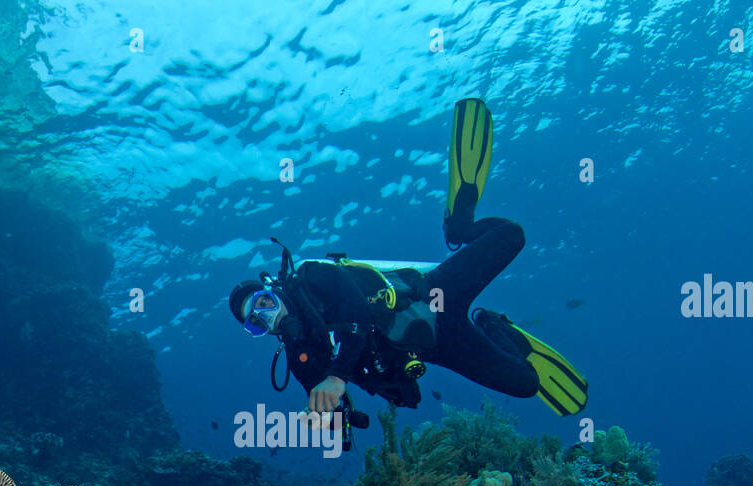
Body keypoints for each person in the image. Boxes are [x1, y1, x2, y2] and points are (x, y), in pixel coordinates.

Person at [229, 98, 588, 424]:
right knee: (525, 383)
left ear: (271, 291)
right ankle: (495, 325)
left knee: (511, 236)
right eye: (257, 324)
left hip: (431, 293)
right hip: (433, 344)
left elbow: (357, 315)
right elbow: (334, 411)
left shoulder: (313, 276)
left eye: (264, 304)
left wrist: (336, 377)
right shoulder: (300, 357)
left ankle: (459, 225)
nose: (269, 318)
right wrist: (325, 419)